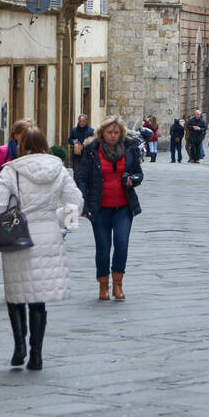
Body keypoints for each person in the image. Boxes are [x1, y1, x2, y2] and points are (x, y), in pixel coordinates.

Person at [0, 126, 83, 371]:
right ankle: (37, 354)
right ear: (44, 145)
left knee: (16, 294)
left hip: (18, 236)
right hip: (48, 234)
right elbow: (76, 202)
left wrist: (4, 225)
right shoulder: (58, 170)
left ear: (21, 146)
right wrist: (60, 220)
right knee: (38, 300)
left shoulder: (11, 172)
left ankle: (19, 347)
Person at [75, 117, 143, 300]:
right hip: (100, 207)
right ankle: (103, 285)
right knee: (103, 248)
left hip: (123, 206)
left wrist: (133, 180)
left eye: (116, 132)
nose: (113, 136)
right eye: (109, 133)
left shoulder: (130, 148)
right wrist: (83, 199)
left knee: (122, 244)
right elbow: (80, 177)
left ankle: (118, 284)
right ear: (101, 133)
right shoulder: (91, 151)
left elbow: (139, 173)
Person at [68, 114, 94, 185]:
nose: (81, 123)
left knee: (86, 174)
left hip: (87, 156)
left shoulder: (91, 131)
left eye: (83, 121)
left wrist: (84, 146)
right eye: (80, 121)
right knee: (76, 174)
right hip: (77, 156)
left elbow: (93, 142)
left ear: (86, 121)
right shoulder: (74, 130)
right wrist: (73, 141)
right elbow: (70, 140)